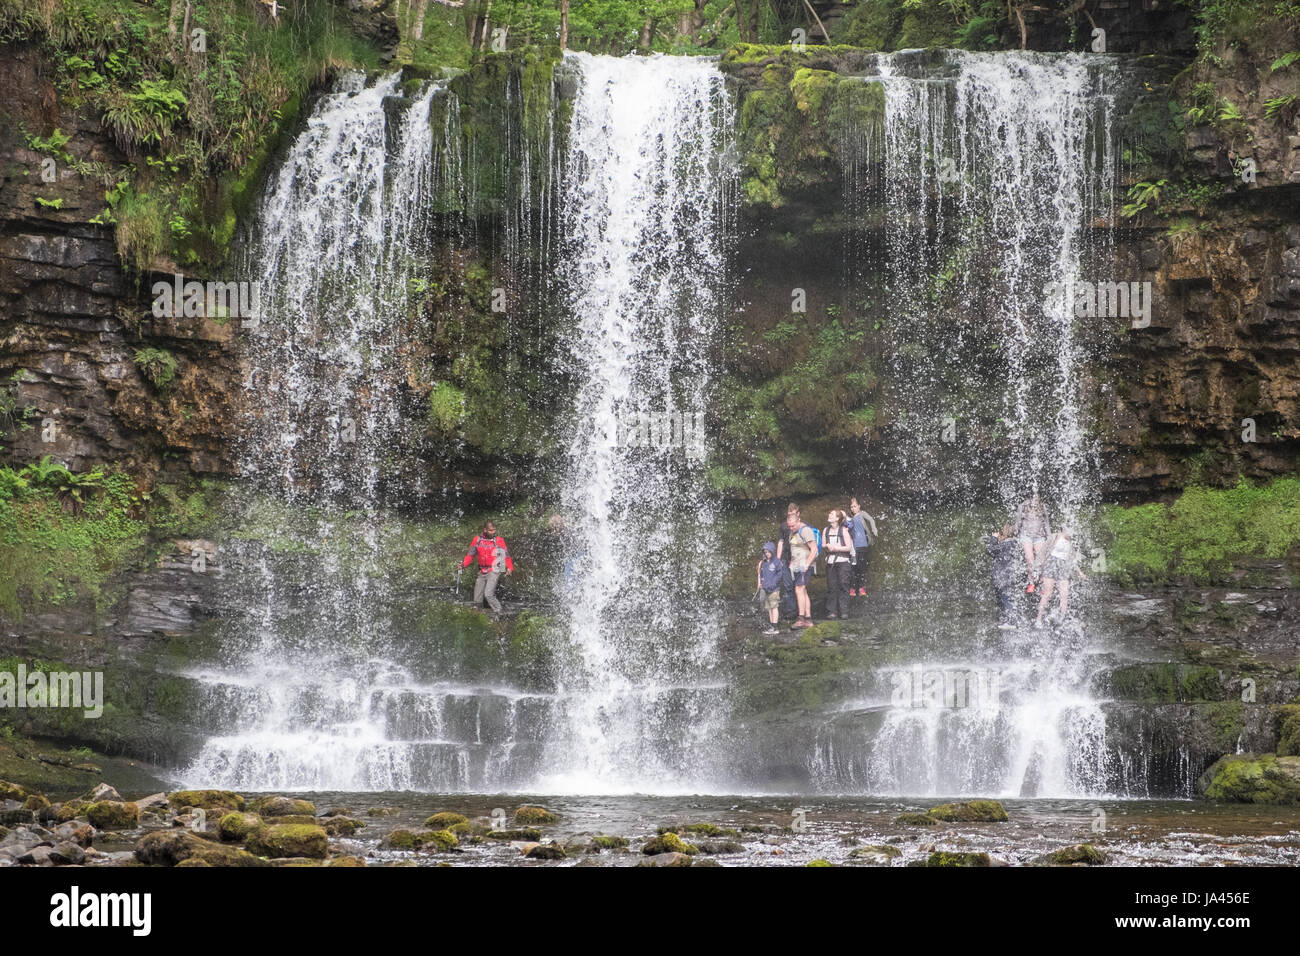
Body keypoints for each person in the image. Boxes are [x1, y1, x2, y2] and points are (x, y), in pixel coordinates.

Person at [1034, 528, 1086, 628]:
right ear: (1064, 529)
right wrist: (1037, 567)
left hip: (1064, 566)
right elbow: (1043, 551)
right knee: (1048, 593)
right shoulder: (1055, 536)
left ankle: (1062, 618)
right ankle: (1039, 619)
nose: (1071, 533)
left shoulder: (1070, 542)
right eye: (1069, 531)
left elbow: (1072, 558)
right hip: (1051, 564)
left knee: (1064, 594)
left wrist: (1080, 572)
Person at [461, 520, 514, 613]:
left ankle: (499, 613)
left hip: (494, 570)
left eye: (494, 530)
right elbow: (470, 555)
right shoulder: (477, 540)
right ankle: (477, 616)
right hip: (482, 571)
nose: (493, 532)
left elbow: (506, 555)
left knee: (488, 595)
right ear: (485, 530)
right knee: (477, 599)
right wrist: (463, 565)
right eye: (490, 530)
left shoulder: (498, 540)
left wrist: (509, 567)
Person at [784, 504, 819, 630]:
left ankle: (801, 618)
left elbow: (814, 549)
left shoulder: (805, 530)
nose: (791, 528)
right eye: (789, 526)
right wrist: (792, 562)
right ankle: (808, 619)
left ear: (798, 520)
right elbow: (795, 548)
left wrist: (806, 564)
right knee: (803, 591)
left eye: (793, 525)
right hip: (797, 566)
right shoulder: (792, 532)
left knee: (798, 589)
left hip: (805, 566)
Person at [1013, 492, 1051, 593]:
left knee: (1041, 560)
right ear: (1029, 497)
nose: (1034, 499)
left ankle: (1042, 582)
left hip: (1039, 536)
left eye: (1036, 496)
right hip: (1026, 536)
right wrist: (1014, 534)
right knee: (1030, 559)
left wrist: (1050, 537)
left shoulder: (1042, 507)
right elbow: (1018, 522)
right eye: (1032, 497)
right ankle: (1031, 583)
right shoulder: (1023, 506)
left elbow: (1046, 523)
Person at [986, 523, 1021, 629]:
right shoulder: (1015, 544)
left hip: (1002, 576)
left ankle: (1012, 622)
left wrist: (994, 538)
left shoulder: (1005, 545)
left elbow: (990, 550)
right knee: (1004, 597)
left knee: (1006, 598)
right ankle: (1007, 619)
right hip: (1009, 575)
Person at [822, 509, 855, 619]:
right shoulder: (826, 530)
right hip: (830, 562)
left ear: (837, 518)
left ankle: (844, 611)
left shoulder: (844, 531)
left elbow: (848, 547)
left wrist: (835, 548)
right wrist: (828, 546)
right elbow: (823, 545)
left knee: (843, 585)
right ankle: (832, 611)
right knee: (831, 587)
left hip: (843, 562)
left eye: (832, 514)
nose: (829, 515)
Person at [846, 497, 878, 596]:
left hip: (863, 545)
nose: (853, 508)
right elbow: (847, 527)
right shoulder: (850, 519)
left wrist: (874, 529)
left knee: (862, 568)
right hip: (854, 547)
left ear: (859, 506)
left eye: (855, 506)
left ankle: (861, 588)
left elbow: (871, 520)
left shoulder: (862, 514)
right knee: (853, 568)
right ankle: (852, 588)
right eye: (851, 507)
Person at [756, 542, 784, 635]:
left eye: (769, 552)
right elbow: (761, 574)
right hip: (766, 588)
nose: (767, 553)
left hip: (774, 589)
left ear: (773, 551)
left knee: (774, 606)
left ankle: (775, 627)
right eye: (765, 552)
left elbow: (779, 575)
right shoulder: (763, 563)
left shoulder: (777, 562)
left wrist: (773, 584)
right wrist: (761, 584)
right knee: (769, 608)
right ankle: (772, 626)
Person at [774, 509, 798, 617]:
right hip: (786, 559)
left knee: (799, 586)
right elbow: (780, 543)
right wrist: (778, 561)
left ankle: (802, 612)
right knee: (788, 586)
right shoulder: (784, 526)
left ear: (797, 513)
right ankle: (791, 610)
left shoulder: (803, 526)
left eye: (792, 514)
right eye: (788, 514)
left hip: (798, 560)